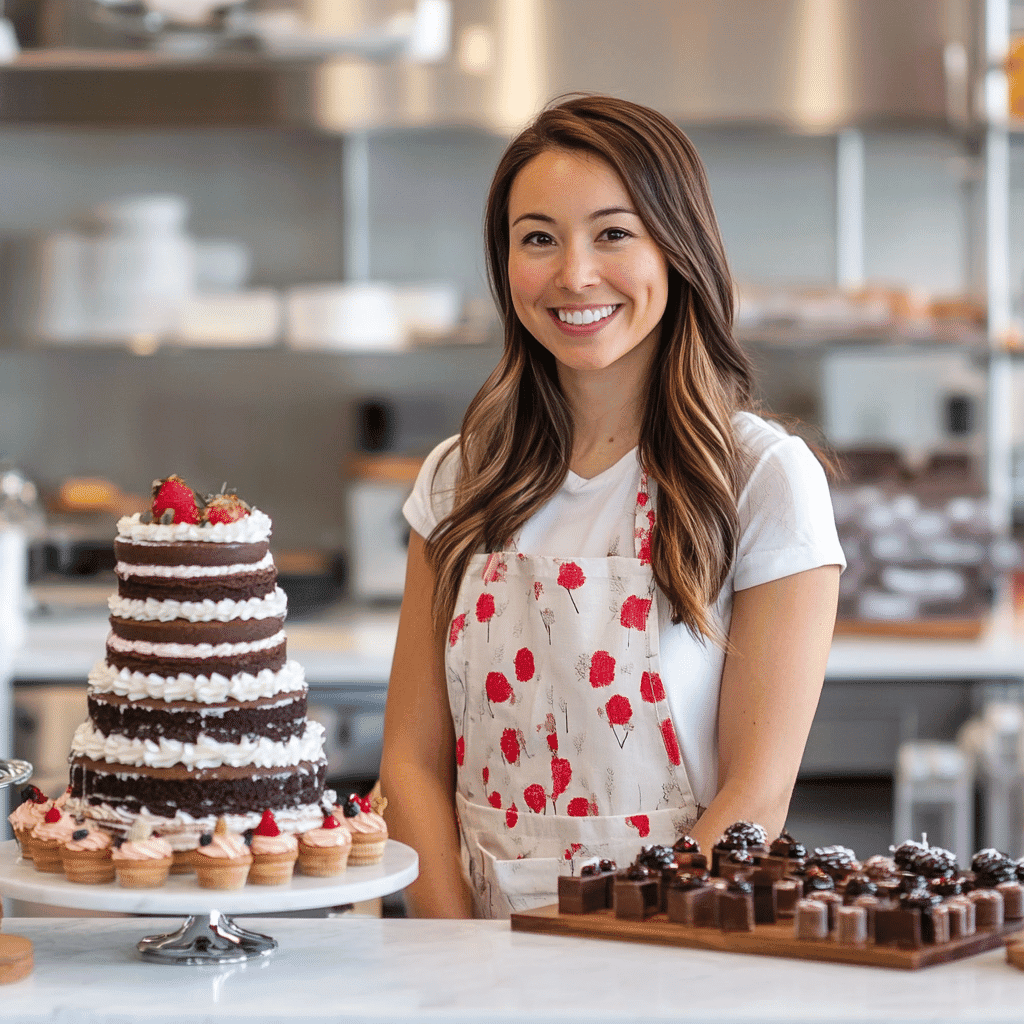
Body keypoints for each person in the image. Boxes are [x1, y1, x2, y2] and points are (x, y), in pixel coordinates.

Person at [380, 95, 845, 919]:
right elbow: (410, 768)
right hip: (473, 966)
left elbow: (755, 798)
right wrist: (454, 961)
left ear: (679, 247)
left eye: (613, 232)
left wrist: (618, 969)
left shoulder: (760, 480)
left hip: (674, 955)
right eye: (538, 239)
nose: (574, 275)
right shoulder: (459, 478)